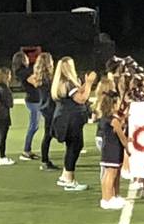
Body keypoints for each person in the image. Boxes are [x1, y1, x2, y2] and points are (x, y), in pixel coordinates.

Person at [51, 57, 97, 192]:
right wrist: (89, 83)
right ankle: (69, 179)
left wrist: (84, 85)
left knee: (73, 146)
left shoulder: (66, 82)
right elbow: (81, 99)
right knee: (74, 146)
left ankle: (66, 175)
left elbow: (78, 93)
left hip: (67, 118)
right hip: (69, 119)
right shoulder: (67, 83)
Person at [97, 92, 129, 210]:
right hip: (112, 149)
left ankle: (112, 197)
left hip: (110, 148)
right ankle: (107, 198)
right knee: (110, 173)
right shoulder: (114, 121)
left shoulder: (107, 118)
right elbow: (122, 138)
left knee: (112, 173)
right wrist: (128, 148)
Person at [12, 51, 40, 161]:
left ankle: (27, 150)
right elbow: (36, 83)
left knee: (36, 125)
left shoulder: (25, 71)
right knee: (33, 126)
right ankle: (26, 150)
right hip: (33, 101)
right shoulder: (22, 72)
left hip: (36, 100)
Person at [33, 53, 58, 171]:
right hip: (51, 108)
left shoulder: (39, 77)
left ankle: (45, 159)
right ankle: (44, 160)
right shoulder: (50, 79)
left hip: (45, 107)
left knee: (48, 134)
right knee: (48, 135)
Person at [0, 67, 15, 166]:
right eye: (9, 75)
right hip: (3, 114)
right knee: (2, 137)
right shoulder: (5, 89)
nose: (10, 77)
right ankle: (3, 157)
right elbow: (10, 104)